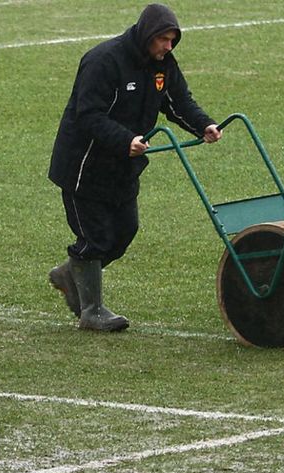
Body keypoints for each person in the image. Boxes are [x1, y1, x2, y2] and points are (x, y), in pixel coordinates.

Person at [47, 3, 222, 332]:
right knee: (96, 238)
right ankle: (91, 311)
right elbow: (88, 114)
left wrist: (204, 125)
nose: (168, 47)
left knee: (124, 231)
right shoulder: (103, 61)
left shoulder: (163, 65)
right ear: (147, 35)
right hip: (84, 166)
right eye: (163, 40)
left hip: (123, 167)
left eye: (173, 41)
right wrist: (124, 139)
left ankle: (71, 274)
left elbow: (178, 101)